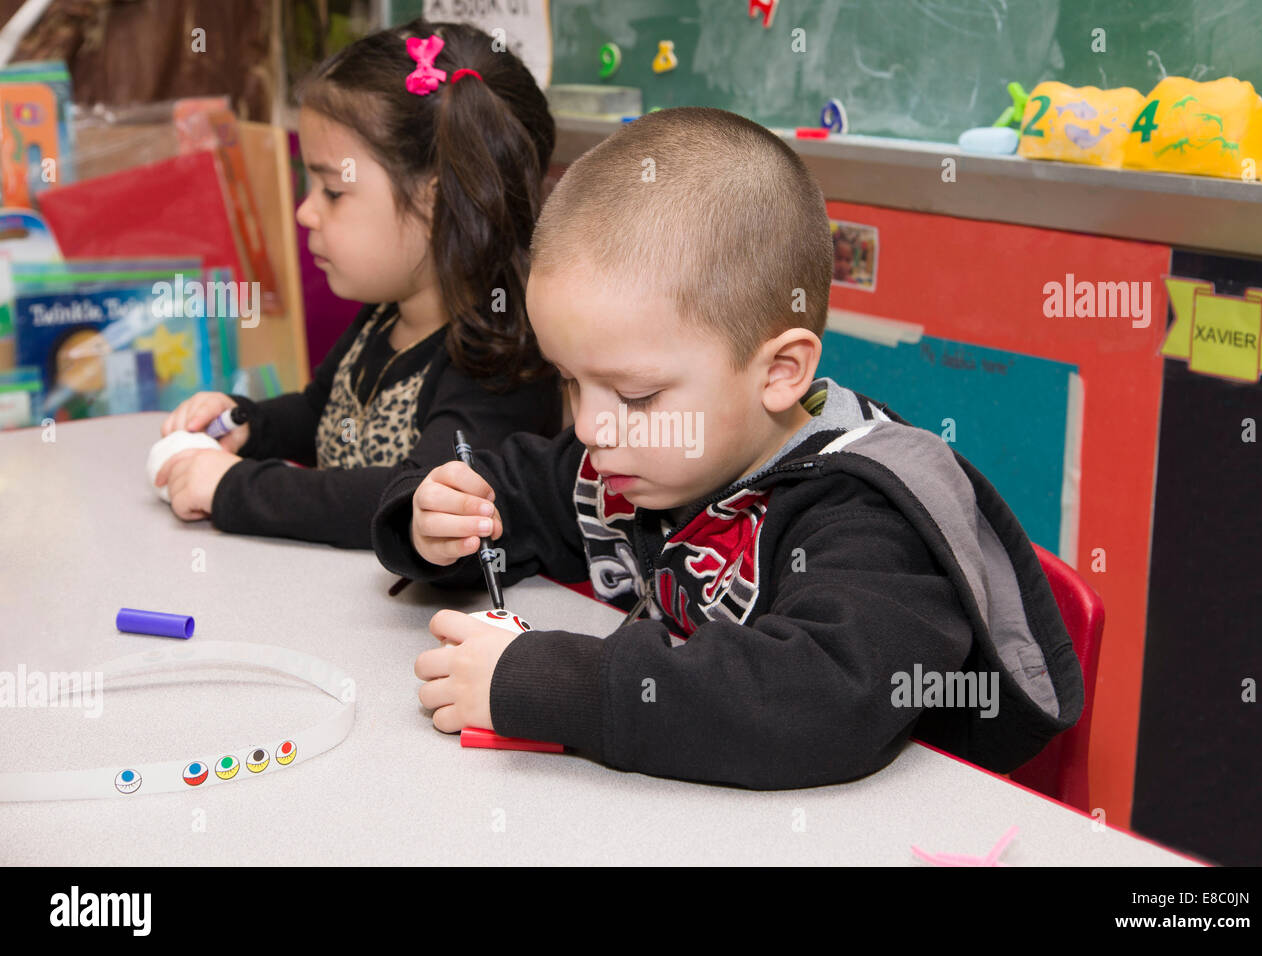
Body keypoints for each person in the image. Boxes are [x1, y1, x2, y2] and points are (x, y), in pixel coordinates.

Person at [374, 107, 1083, 789]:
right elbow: (508, 492)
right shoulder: (640, 459)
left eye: (636, 394)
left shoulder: (867, 518)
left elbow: (816, 705)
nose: (590, 428)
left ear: (779, 373)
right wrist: (434, 520)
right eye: (570, 382)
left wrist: (544, 681)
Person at [155, 20, 561, 548]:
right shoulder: (385, 315)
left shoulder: (501, 360)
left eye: (332, 191)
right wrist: (248, 423)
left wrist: (234, 488)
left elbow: (406, 497)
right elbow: (319, 412)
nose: (304, 213)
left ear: (435, 202)